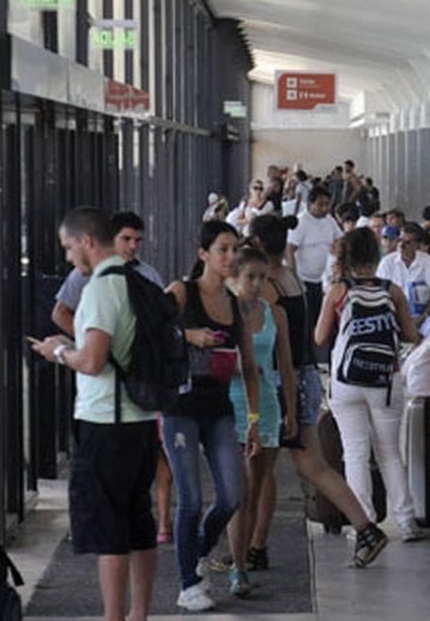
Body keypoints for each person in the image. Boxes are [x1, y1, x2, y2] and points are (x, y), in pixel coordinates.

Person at [32, 207, 160, 621]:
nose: (69, 258)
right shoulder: (135, 281)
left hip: (107, 422)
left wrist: (58, 352)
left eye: (69, 248)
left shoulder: (102, 288)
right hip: (140, 420)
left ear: (87, 241)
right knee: (139, 522)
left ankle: (114, 617)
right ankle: (139, 613)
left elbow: (91, 360)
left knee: (110, 532)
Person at [250, 213, 390, 569]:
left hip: (284, 383)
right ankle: (365, 527)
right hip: (307, 377)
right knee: (312, 465)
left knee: (262, 471)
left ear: (256, 245)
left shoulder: (267, 287)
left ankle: (254, 549)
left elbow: (268, 341)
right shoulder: (291, 279)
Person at [160, 220, 261, 612]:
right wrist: (189, 336)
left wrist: (253, 418)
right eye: (223, 249)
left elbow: (249, 364)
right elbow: (151, 331)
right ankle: (188, 583)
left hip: (219, 406)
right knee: (190, 498)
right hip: (180, 408)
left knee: (233, 495)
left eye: (234, 248)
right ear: (203, 254)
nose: (231, 257)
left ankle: (199, 548)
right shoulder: (182, 292)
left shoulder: (236, 304)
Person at [315, 228, 421, 542]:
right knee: (389, 452)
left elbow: (320, 337)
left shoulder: (338, 291)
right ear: (375, 256)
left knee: (355, 453)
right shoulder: (393, 290)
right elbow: (411, 334)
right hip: (385, 380)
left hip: (347, 380)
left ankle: (365, 522)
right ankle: (406, 521)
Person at [224, 245, 294, 597]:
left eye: (262, 278)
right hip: (228, 406)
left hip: (265, 406)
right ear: (233, 277)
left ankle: (243, 561)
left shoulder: (274, 315)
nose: (255, 284)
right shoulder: (223, 312)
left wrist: (292, 411)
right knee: (237, 489)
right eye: (249, 277)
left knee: (253, 487)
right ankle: (234, 559)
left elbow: (286, 367)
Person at [52, 212, 164, 337]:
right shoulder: (85, 272)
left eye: (137, 240)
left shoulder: (148, 273)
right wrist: (84, 339)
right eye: (126, 239)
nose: (133, 246)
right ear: (111, 238)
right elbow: (60, 313)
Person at [288, 186, 342, 347]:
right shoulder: (301, 222)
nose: (325, 208)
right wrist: (294, 278)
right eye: (321, 204)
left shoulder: (330, 221)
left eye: (327, 204)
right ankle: (306, 359)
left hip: (323, 282)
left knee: (322, 323)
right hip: (303, 281)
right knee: (305, 324)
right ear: (310, 204)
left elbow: (339, 241)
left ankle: (318, 357)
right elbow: (289, 251)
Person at [376, 223, 430, 332]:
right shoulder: (387, 262)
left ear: (417, 245)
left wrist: (422, 317)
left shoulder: (427, 262)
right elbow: (379, 294)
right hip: (393, 314)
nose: (402, 246)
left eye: (407, 243)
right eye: (400, 240)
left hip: (420, 314)